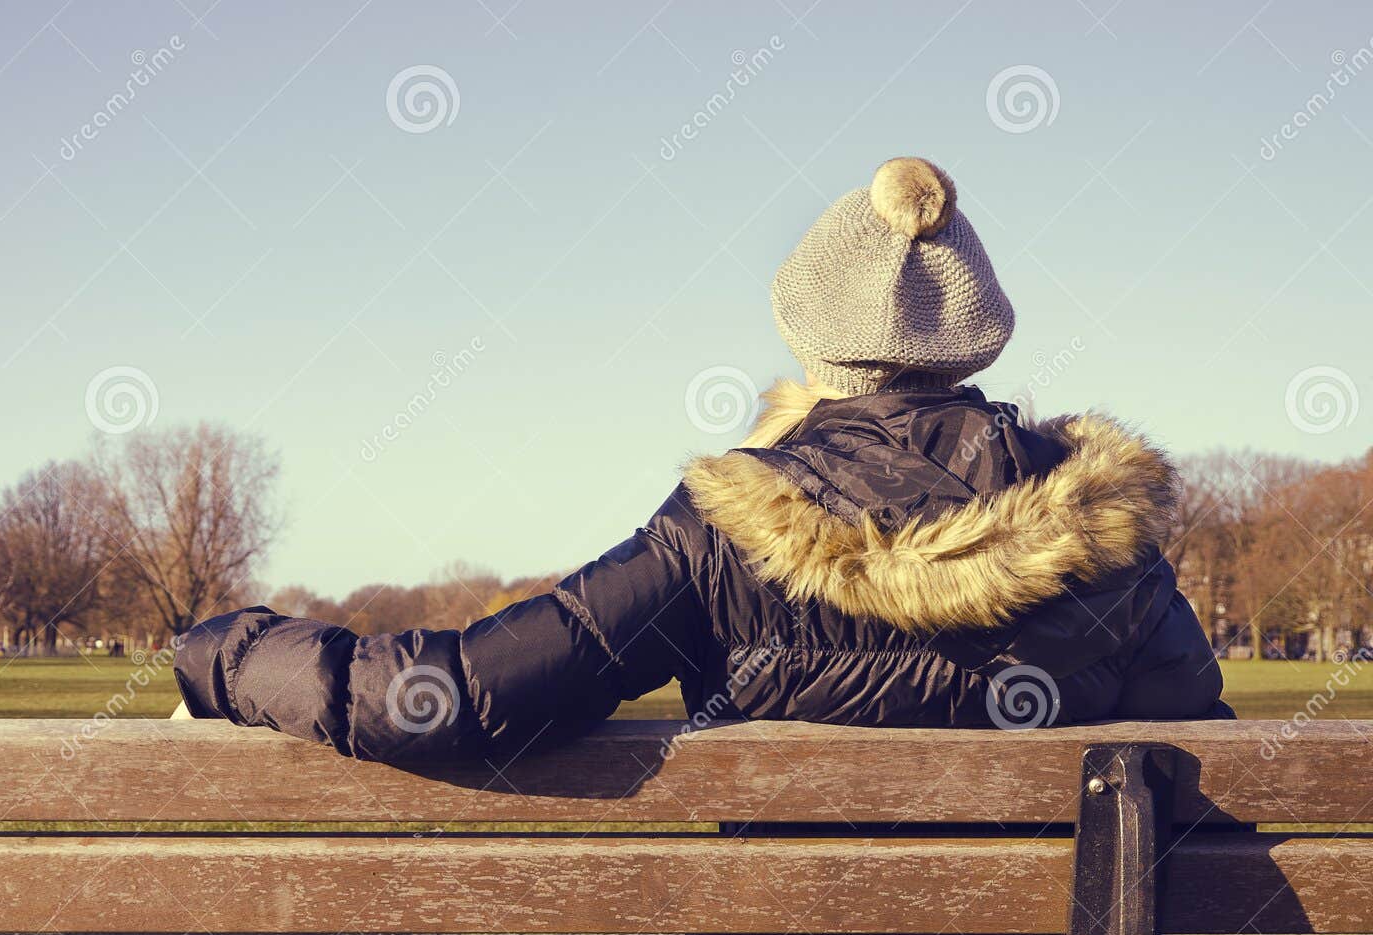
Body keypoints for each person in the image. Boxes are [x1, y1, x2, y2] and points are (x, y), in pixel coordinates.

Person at [172, 157, 1229, 763]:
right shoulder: (1111, 534)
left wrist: (221, 656)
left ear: (808, 338)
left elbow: (449, 696)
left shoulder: (722, 533)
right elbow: (1201, 767)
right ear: (974, 338)